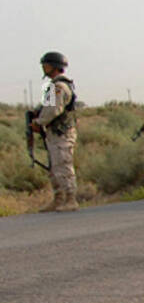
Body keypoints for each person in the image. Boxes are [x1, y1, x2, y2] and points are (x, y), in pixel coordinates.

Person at [31, 51, 78, 212]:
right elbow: (46, 109)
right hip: (55, 134)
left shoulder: (59, 87)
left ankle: (70, 199)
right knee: (55, 168)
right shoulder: (54, 86)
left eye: (46, 64)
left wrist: (39, 122)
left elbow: (53, 110)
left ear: (53, 66)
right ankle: (58, 199)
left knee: (63, 166)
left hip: (62, 134)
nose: (43, 68)